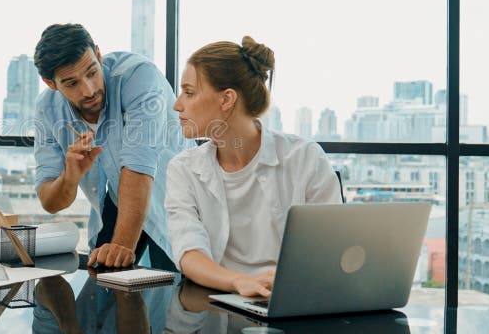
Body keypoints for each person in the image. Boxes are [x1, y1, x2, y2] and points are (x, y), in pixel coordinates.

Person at [165, 36, 342, 297]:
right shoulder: (183, 169)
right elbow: (190, 254)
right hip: (220, 303)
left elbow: (332, 247)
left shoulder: (305, 157)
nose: (177, 104)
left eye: (189, 93)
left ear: (226, 100)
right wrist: (239, 282)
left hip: (295, 299)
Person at [33, 23, 190, 270]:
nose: (89, 90)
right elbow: (51, 203)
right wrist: (70, 176)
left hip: (174, 199)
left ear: (98, 54)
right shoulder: (48, 110)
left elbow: (139, 164)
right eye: (71, 83)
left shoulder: (139, 76)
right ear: (51, 83)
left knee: (177, 296)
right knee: (102, 284)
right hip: (121, 196)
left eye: (92, 72)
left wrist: (122, 246)